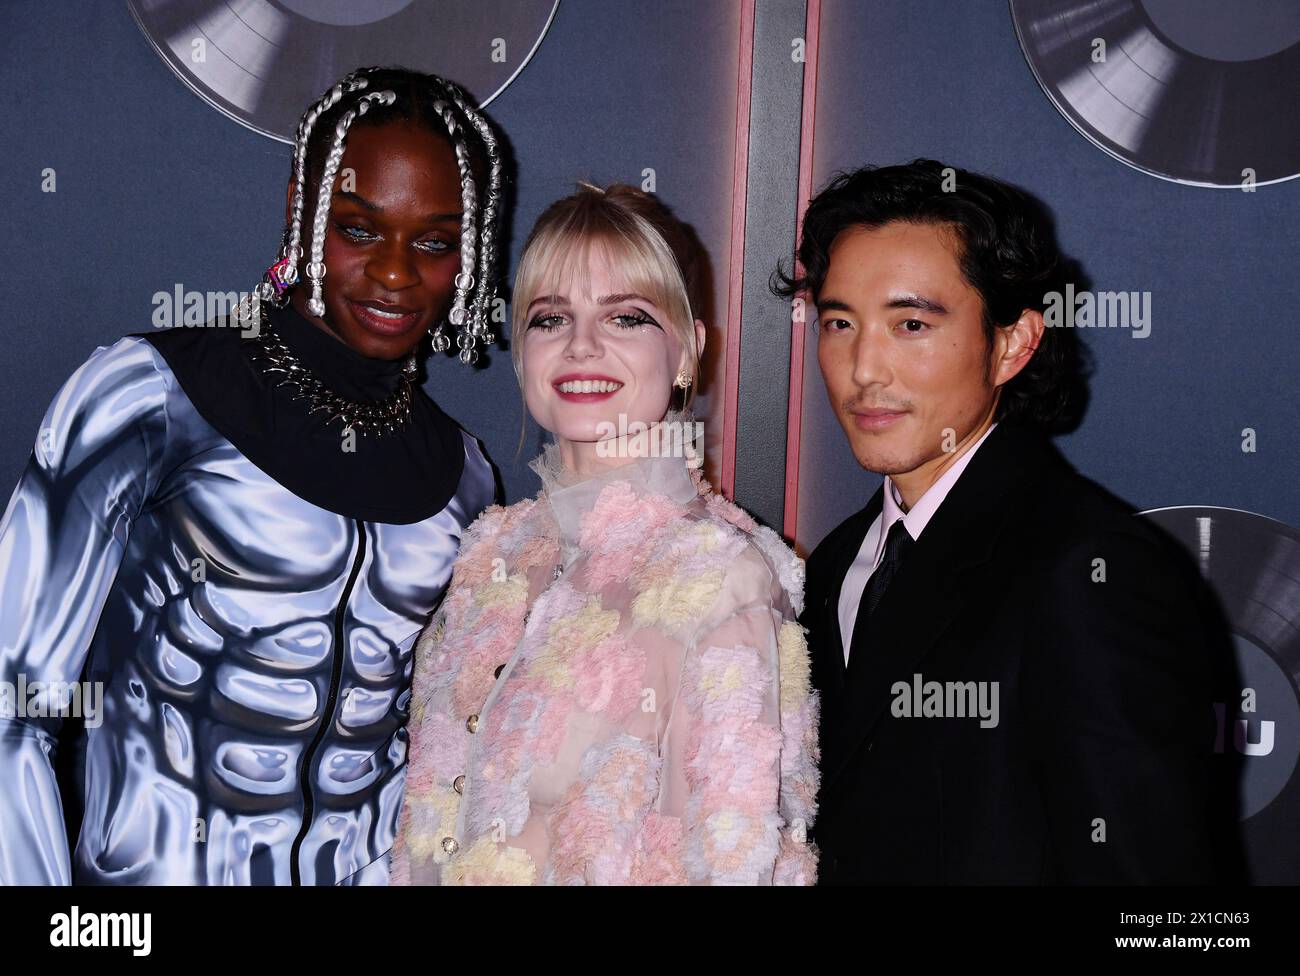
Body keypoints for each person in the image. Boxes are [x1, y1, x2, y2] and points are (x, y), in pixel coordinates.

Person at [0, 66, 506, 885]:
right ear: (298, 211)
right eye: (359, 228)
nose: (394, 273)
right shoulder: (150, 397)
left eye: (435, 241)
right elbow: (13, 709)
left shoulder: (466, 481)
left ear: (470, 253)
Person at [779, 159, 1221, 884]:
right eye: (839, 323)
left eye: (911, 323)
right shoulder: (832, 566)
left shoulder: (1088, 569)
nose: (864, 368)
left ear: (1012, 343)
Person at [390, 183, 819, 885]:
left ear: (687, 353)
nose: (582, 345)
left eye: (626, 317)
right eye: (551, 318)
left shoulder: (722, 577)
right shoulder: (490, 557)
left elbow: (734, 865)